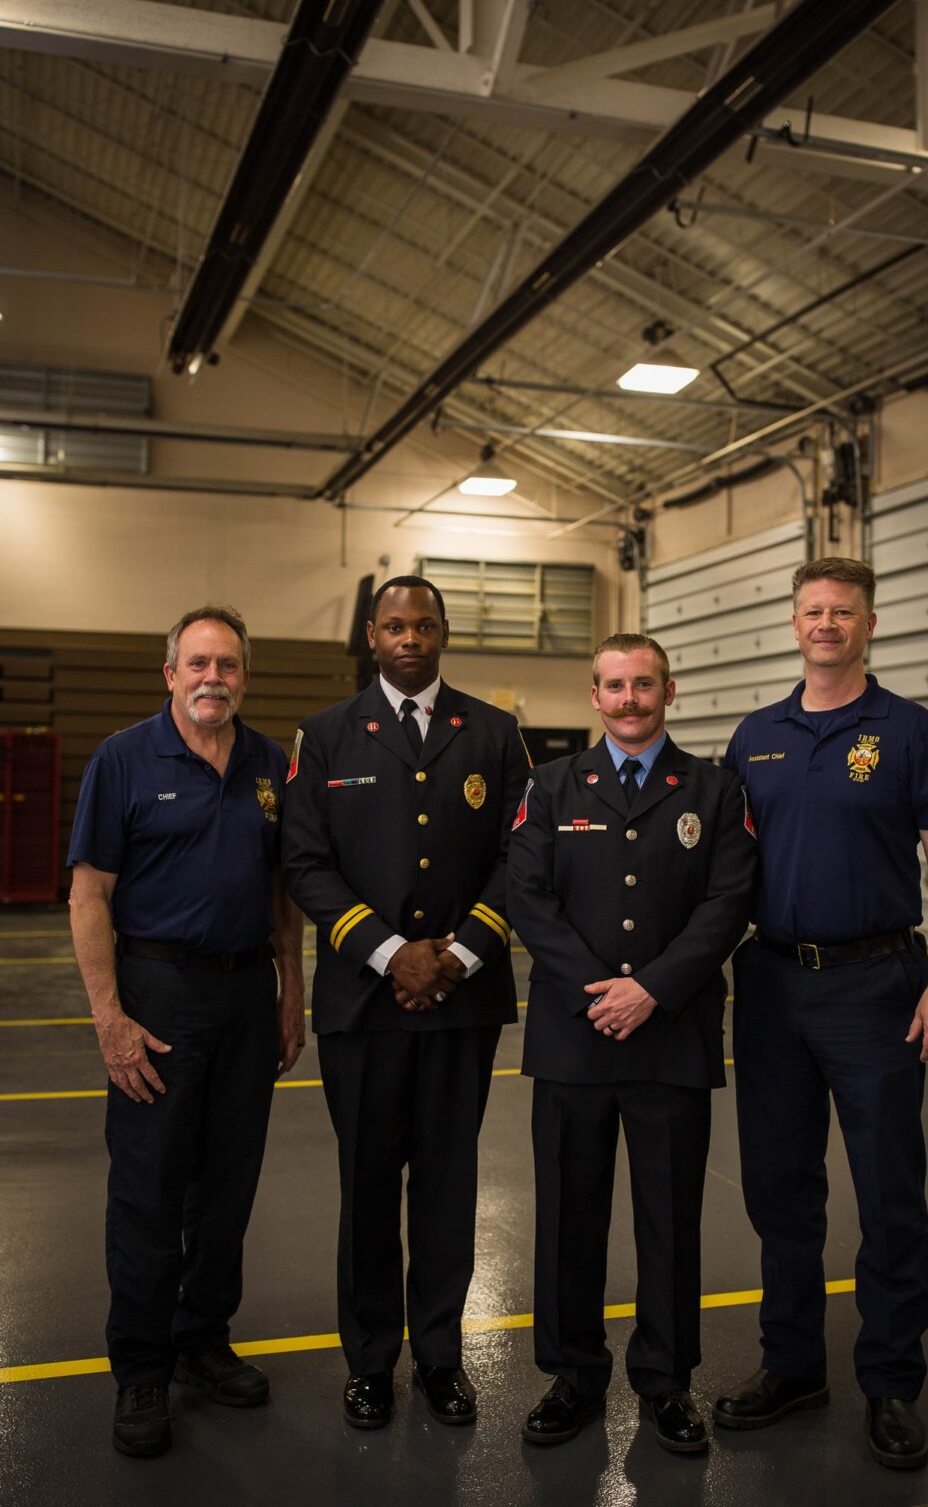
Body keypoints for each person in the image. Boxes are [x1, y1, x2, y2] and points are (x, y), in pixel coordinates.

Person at [715, 557, 928, 1471]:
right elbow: (722, 869)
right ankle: (793, 1367)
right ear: (794, 624)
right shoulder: (756, 736)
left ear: (869, 624)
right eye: (813, 610)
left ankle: (891, 1381)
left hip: (877, 986)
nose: (827, 623)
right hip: (774, 987)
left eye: (844, 611)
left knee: (888, 1191)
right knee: (779, 1190)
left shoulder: (909, 730)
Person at [281, 575, 530, 1431]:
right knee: (366, 1186)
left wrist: (458, 954)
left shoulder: (494, 733)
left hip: (463, 998)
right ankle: (368, 1363)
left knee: (449, 1185)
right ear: (371, 634)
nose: (410, 639)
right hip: (364, 1002)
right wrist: (394, 955)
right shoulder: (324, 736)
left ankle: (440, 1358)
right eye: (394, 626)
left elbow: (521, 854)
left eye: (424, 625)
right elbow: (305, 862)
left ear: (444, 632)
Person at [506, 633, 756, 1454]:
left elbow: (728, 901)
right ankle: (572, 1377)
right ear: (594, 696)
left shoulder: (714, 789)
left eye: (644, 684)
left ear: (668, 692)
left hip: (670, 1035)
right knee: (568, 1217)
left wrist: (651, 988)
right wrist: (600, 990)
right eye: (614, 685)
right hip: (574, 1037)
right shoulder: (549, 786)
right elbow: (528, 897)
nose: (629, 699)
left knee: (670, 1219)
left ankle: (666, 1380)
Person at [67, 605, 306, 1458]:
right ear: (170, 674)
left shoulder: (270, 763)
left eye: (228, 665)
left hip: (246, 994)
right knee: (149, 1190)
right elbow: (88, 895)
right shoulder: (123, 758)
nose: (214, 678)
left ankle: (202, 1339)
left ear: (245, 677)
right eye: (198, 663)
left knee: (227, 1186)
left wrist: (291, 991)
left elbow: (281, 891)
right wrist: (110, 1020)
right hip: (157, 993)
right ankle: (141, 1366)